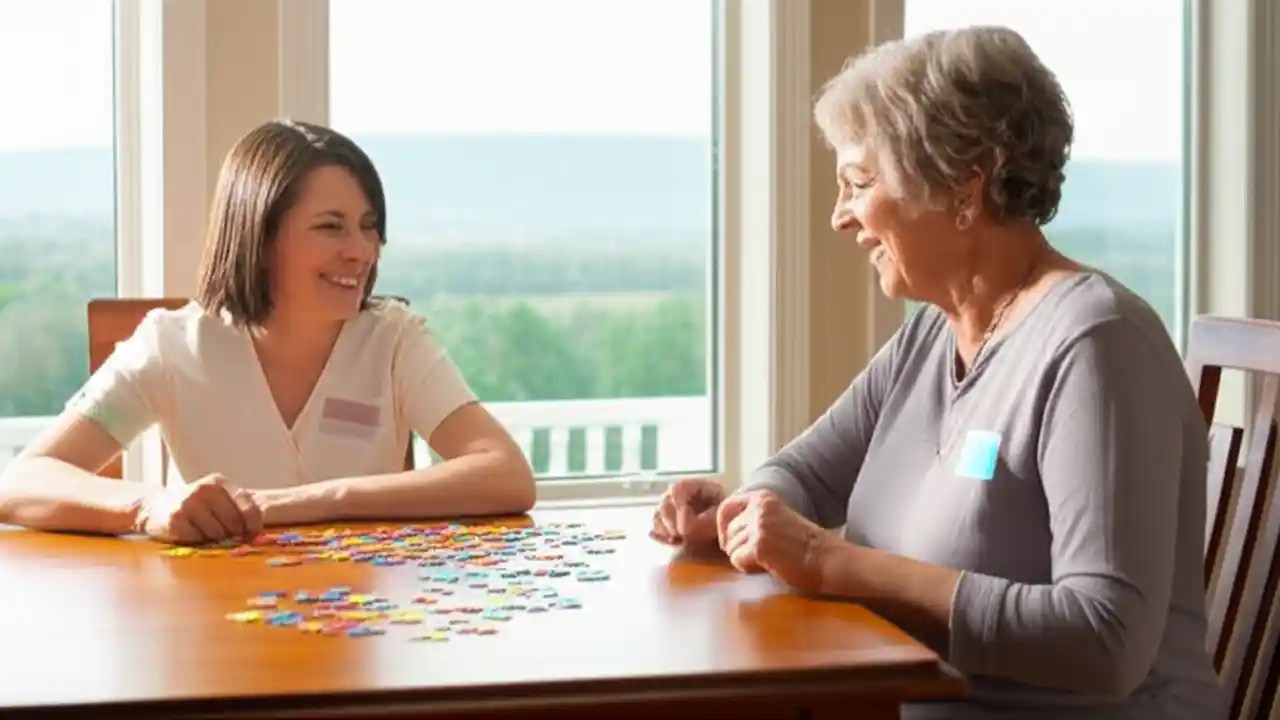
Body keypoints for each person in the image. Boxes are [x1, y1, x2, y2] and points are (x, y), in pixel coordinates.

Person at [651, 26, 1225, 719]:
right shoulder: (931, 334)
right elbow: (805, 476)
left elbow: (1105, 643)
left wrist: (835, 565)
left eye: (858, 183)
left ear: (964, 187)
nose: (841, 218)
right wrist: (735, 513)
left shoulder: (1097, 344)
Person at [0, 120, 536, 545]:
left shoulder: (394, 340)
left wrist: (307, 502)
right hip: (216, 624)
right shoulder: (172, 347)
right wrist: (148, 506)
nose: (361, 250)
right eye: (331, 226)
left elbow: (505, 473)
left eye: (369, 225)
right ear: (259, 239)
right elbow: (22, 480)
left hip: (366, 623)